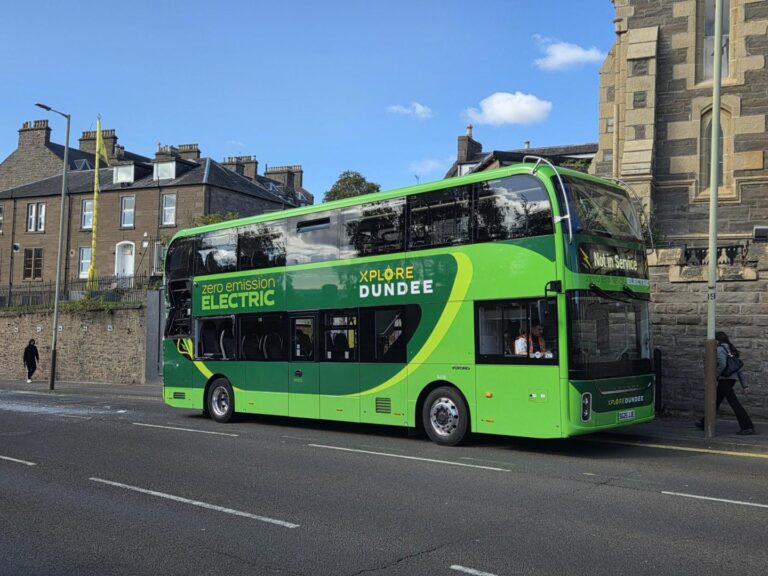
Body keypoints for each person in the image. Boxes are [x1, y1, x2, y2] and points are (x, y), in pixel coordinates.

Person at [696, 331, 755, 435]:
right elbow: (738, 368)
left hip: (725, 380)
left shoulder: (719, 349)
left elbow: (722, 364)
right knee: (716, 400)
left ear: (717, 340)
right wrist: (744, 385)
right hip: (731, 379)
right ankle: (704, 422)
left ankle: (747, 427)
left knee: (734, 403)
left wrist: (714, 376)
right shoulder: (730, 350)